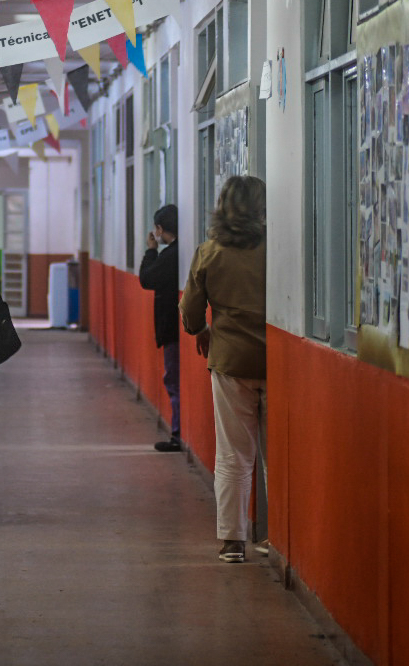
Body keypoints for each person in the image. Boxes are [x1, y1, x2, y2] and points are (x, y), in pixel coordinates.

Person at [180, 175, 268, 563]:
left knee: (234, 452)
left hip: (231, 361)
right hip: (279, 361)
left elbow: (189, 310)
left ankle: (233, 541)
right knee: (275, 455)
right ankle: (277, 537)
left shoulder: (209, 251)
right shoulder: (276, 248)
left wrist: (201, 329)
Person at [139, 204, 182, 453]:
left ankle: (177, 435)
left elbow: (146, 278)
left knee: (173, 380)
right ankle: (177, 432)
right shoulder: (178, 253)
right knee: (173, 378)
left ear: (159, 229)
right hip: (175, 327)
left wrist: (151, 250)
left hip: (171, 328)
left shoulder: (169, 255)